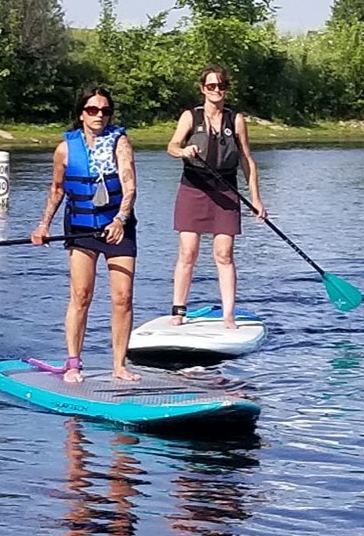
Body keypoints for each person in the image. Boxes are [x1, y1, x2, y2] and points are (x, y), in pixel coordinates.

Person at [30, 87, 139, 383]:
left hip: (118, 227)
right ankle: (74, 363)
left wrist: (120, 219)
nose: (99, 116)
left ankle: (119, 364)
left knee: (123, 297)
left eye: (104, 111)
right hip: (81, 228)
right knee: (81, 295)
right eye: (92, 110)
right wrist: (43, 225)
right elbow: (57, 190)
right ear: (81, 114)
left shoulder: (120, 143)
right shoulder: (65, 149)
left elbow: (129, 186)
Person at [165, 66, 266, 328]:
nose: (216, 91)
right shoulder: (191, 116)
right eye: (211, 86)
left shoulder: (236, 120)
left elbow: (246, 160)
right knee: (188, 251)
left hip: (226, 189)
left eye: (221, 86)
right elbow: (172, 146)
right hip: (193, 187)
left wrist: (256, 199)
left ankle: (228, 315)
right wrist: (184, 151)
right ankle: (178, 311)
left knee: (224, 253)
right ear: (202, 89)